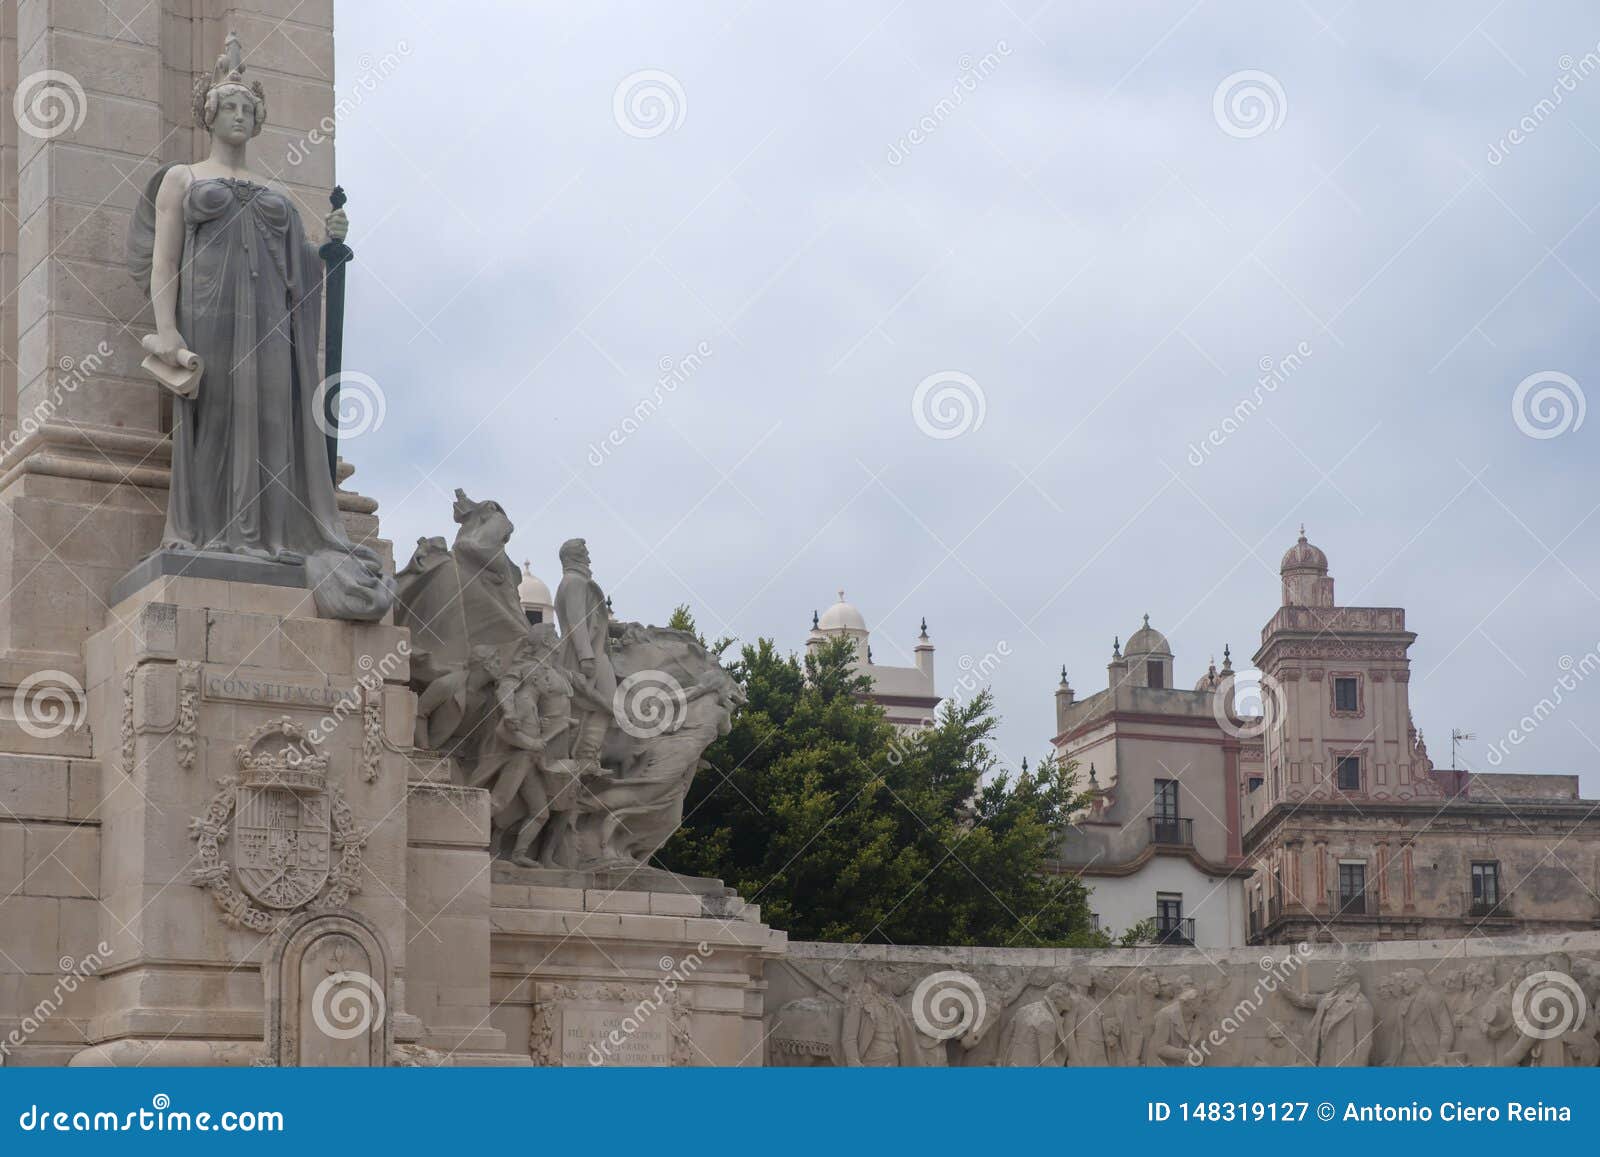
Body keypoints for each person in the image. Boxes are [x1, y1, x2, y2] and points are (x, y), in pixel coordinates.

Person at [127, 32, 390, 620]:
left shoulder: (277, 192)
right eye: (230, 108)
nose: (239, 116)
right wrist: (165, 329)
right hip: (207, 313)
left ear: (259, 120)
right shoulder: (183, 179)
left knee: (274, 417)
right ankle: (205, 535)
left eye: (248, 109)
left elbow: (301, 268)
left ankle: (273, 536)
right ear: (210, 116)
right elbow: (164, 260)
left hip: (271, 322)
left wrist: (331, 248)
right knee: (215, 417)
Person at [1282, 964, 1374, 1066]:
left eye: (1338, 973)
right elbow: (1304, 1000)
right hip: (1321, 1058)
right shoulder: (1328, 998)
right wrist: (1288, 991)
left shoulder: (1361, 1005)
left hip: (1342, 1060)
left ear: (1347, 979)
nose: (1334, 976)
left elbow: (1365, 1044)